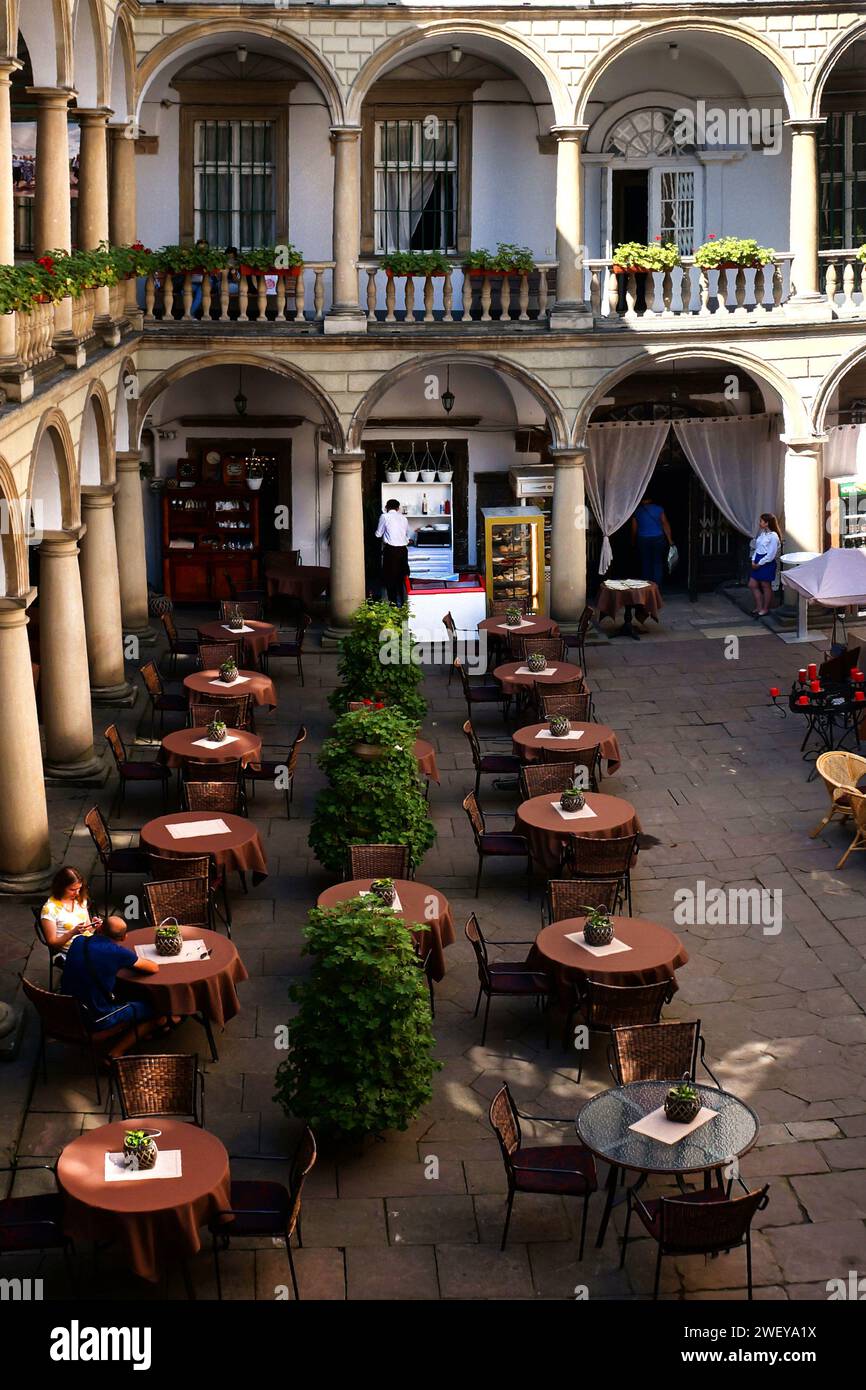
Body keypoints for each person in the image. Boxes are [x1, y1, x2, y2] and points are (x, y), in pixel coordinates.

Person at [61, 915, 160, 1032]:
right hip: (97, 1017)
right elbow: (153, 968)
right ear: (124, 938)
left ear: (100, 928)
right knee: (156, 1008)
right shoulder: (117, 953)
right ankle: (118, 1050)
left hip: (67, 1007)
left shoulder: (78, 940)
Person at [40, 867, 97, 961]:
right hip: (70, 951)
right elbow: (52, 943)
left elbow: (88, 930)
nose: (77, 893)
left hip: (88, 944)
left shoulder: (80, 900)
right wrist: (72, 933)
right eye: (72, 889)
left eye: (79, 889)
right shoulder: (50, 909)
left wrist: (94, 926)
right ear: (61, 887)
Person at [376, 498, 414, 606]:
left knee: (390, 577)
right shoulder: (404, 518)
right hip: (403, 550)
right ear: (398, 508)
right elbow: (408, 535)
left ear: (386, 507)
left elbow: (378, 534)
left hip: (391, 550)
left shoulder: (384, 516)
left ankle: (392, 604)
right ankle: (402, 602)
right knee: (402, 576)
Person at [631, 494, 673, 586]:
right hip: (658, 538)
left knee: (645, 562)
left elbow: (634, 528)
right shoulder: (658, 509)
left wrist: (633, 540)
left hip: (643, 539)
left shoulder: (637, 511)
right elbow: (665, 524)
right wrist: (670, 540)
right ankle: (657, 587)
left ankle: (647, 588)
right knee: (657, 563)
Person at [749, 512, 782, 617]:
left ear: (767, 523)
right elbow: (758, 548)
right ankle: (759, 606)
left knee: (765, 585)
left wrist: (760, 563)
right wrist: (753, 560)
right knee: (752, 584)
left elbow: (771, 554)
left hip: (766, 561)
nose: (760, 523)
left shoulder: (773, 536)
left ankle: (765, 608)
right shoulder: (763, 534)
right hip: (758, 558)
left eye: (761, 521)